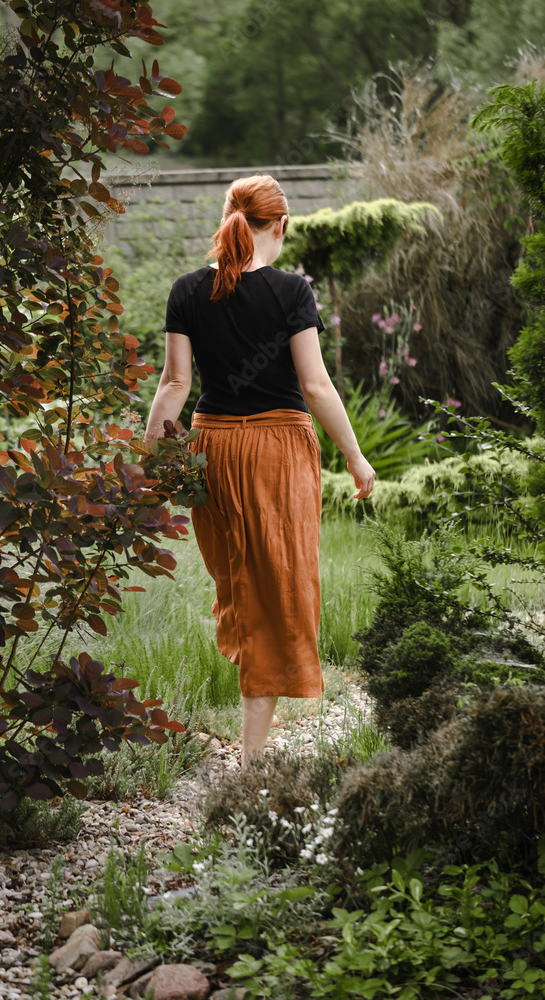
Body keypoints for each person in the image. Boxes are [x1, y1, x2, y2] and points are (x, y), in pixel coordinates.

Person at [144, 174, 375, 772]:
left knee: (241, 588)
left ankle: (250, 748)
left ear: (228, 219)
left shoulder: (187, 290)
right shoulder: (292, 292)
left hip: (213, 450)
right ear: (282, 226)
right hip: (278, 453)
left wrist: (150, 464)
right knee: (276, 589)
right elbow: (315, 384)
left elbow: (174, 384)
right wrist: (354, 454)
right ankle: (251, 759)